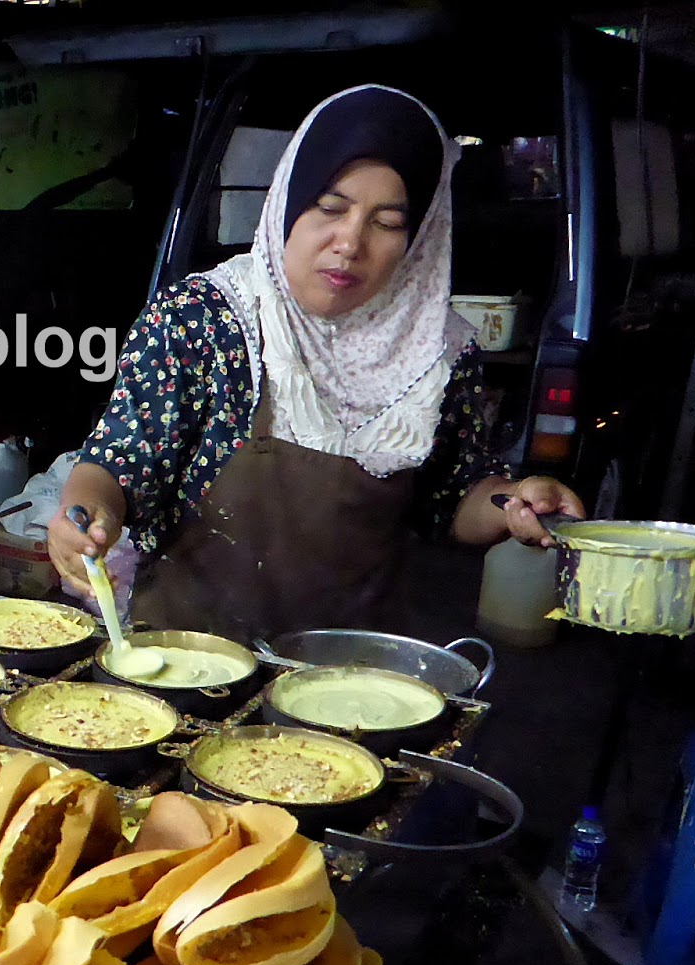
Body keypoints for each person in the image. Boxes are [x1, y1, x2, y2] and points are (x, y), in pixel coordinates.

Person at [52, 85, 584, 641]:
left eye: (388, 222)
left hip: (350, 673)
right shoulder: (206, 319)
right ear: (287, 201)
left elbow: (452, 498)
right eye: (330, 208)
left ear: (422, 236)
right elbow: (116, 464)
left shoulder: (440, 352)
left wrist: (512, 505)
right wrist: (84, 517)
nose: (350, 242)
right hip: (188, 655)